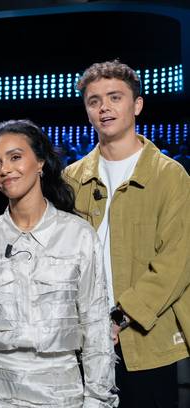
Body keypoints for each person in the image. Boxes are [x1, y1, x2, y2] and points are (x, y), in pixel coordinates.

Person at [0, 119, 118, 407]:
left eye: (15, 157)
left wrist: (97, 399)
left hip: (58, 395)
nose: (5, 169)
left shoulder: (79, 235)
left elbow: (96, 327)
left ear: (40, 162)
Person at [65, 60, 190, 408]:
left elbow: (177, 263)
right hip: (81, 340)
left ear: (137, 105)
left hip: (145, 341)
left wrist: (119, 317)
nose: (104, 107)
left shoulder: (170, 176)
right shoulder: (71, 179)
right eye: (94, 101)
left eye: (115, 97)